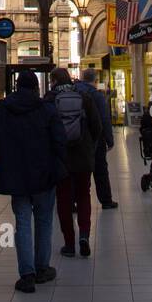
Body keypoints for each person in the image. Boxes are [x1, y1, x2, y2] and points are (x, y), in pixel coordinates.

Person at [0, 67, 66, 294]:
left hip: (16, 176)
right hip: (44, 175)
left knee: (22, 222)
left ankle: (27, 274)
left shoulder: (1, 111)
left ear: (16, 86)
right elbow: (59, 142)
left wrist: (1, 163)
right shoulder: (47, 110)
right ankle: (42, 268)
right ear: (36, 88)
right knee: (44, 220)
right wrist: (58, 166)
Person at [46, 67, 102, 259]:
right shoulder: (84, 96)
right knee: (84, 196)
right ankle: (84, 235)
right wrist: (89, 146)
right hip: (83, 155)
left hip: (61, 158)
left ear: (53, 80)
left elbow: (45, 129)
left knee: (63, 200)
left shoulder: (51, 99)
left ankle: (69, 243)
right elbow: (97, 126)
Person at [77, 68, 117, 209]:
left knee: (78, 170)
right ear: (95, 80)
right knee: (100, 169)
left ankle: (75, 201)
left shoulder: (74, 91)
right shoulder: (97, 95)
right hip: (95, 138)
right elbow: (105, 119)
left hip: (76, 137)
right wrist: (109, 140)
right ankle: (106, 200)